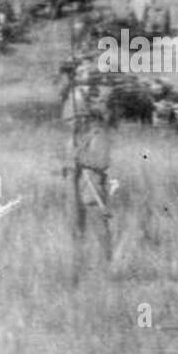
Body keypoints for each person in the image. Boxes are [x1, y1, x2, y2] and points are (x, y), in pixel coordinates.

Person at [62, 60, 113, 271]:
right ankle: (77, 268)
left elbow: (102, 162)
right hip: (73, 191)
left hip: (92, 191)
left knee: (100, 230)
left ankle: (108, 267)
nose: (73, 123)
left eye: (77, 118)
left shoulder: (98, 133)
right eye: (70, 120)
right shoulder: (71, 138)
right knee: (75, 231)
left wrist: (80, 157)